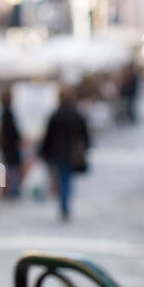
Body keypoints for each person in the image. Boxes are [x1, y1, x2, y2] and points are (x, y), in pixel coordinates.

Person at [39, 84, 90, 221]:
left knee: (62, 178)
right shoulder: (76, 114)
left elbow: (48, 136)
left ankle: (64, 205)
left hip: (58, 152)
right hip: (71, 152)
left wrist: (44, 152)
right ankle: (65, 205)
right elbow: (84, 134)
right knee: (66, 179)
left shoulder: (55, 115)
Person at [0, 89, 23, 199]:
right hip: (10, 146)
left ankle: (9, 190)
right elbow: (12, 131)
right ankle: (13, 191)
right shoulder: (7, 113)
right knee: (12, 168)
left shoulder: (4, 113)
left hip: (7, 146)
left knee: (8, 168)